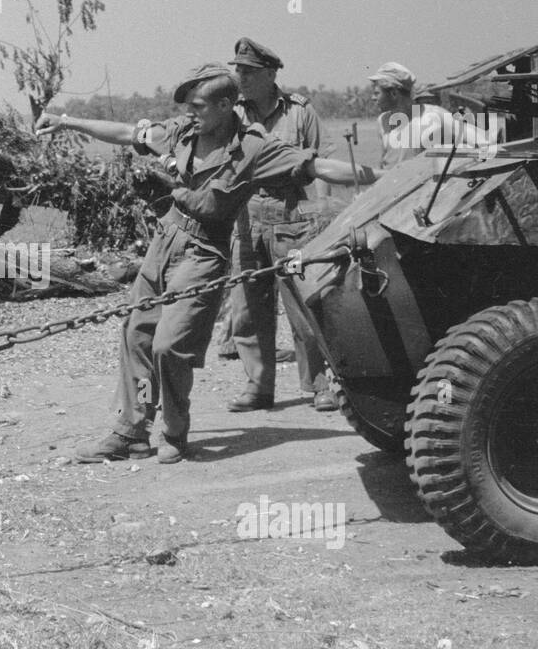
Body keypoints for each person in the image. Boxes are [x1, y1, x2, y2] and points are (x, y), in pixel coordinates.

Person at [38, 64, 366, 465]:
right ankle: (131, 432)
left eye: (198, 106)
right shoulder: (181, 132)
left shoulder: (254, 149)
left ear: (226, 105)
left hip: (204, 253)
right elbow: (127, 133)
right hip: (165, 241)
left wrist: (385, 175)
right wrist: (66, 121)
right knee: (138, 334)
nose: (189, 113)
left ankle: (175, 430)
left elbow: (317, 167)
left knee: (169, 345)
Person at [224, 38, 338, 413]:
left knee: (302, 306)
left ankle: (318, 384)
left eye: (248, 71)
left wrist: (320, 212)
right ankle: (259, 388)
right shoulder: (233, 114)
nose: (240, 77)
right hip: (246, 218)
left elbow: (321, 162)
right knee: (247, 310)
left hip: (290, 219)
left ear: (270, 74)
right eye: (238, 70)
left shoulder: (299, 112)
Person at [370, 62, 481, 168]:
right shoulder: (383, 121)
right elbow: (385, 159)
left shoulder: (434, 116)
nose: (373, 98)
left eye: (377, 93)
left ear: (394, 94)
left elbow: (479, 140)